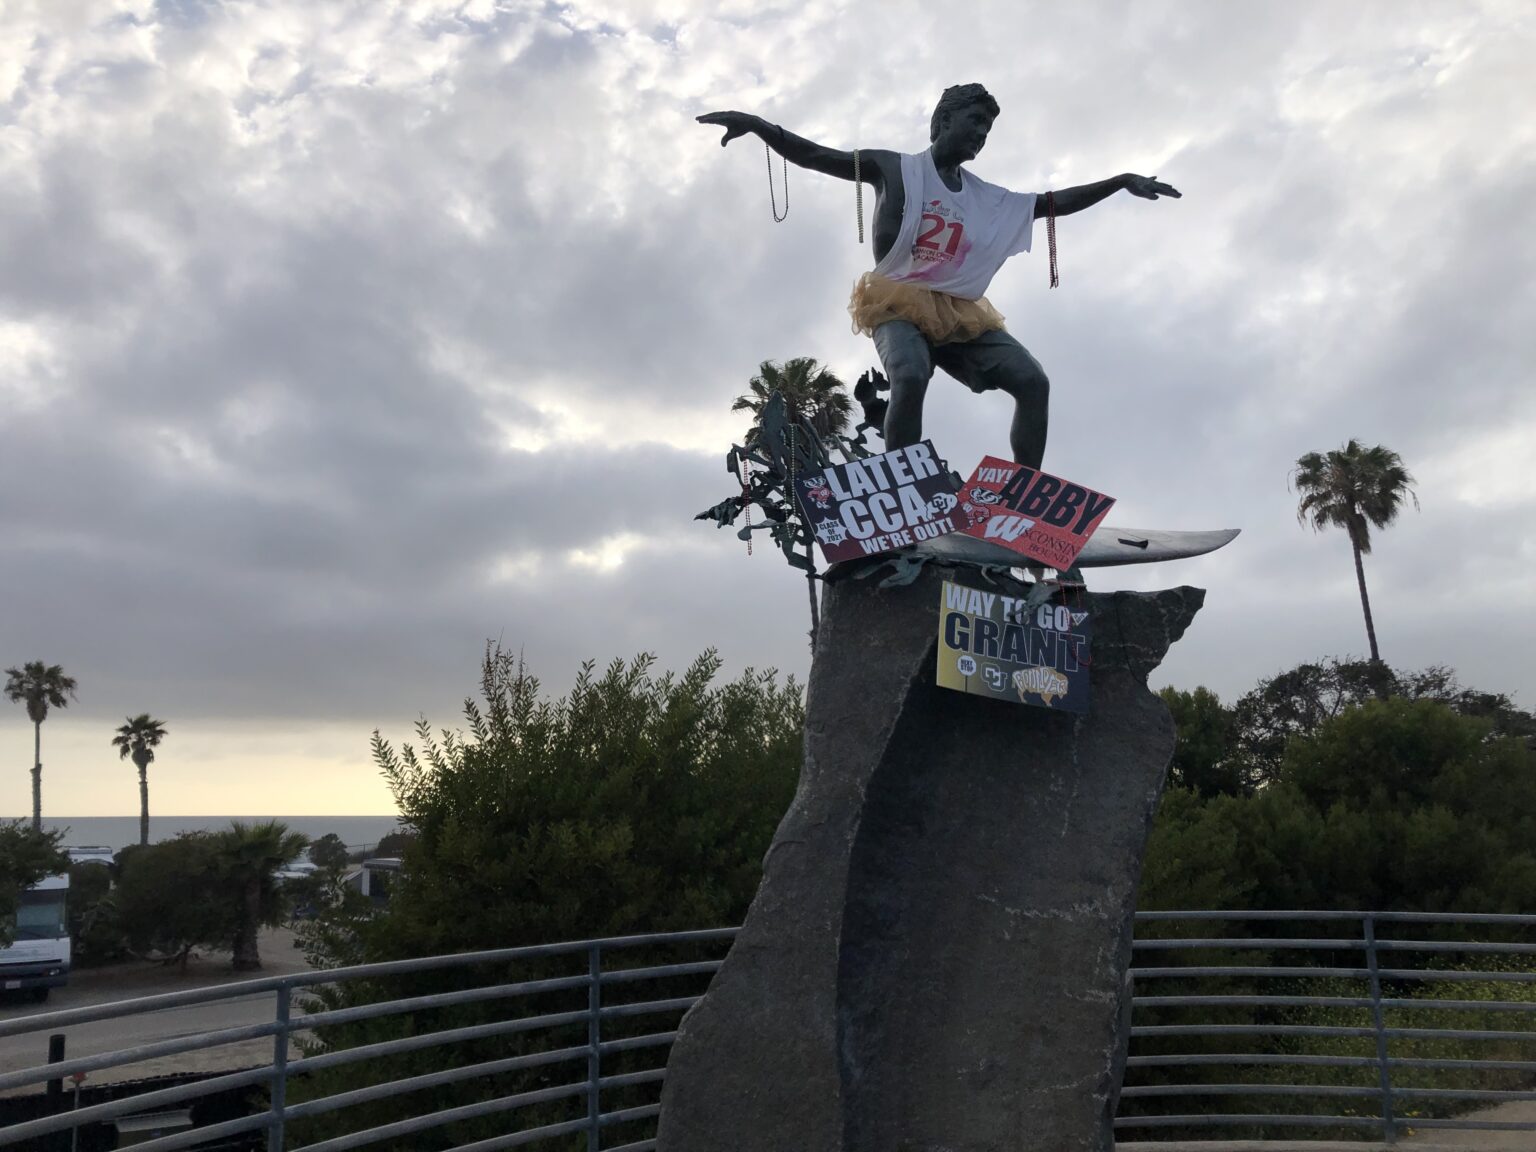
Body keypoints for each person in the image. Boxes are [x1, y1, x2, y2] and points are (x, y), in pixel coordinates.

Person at [699, 84, 1180, 468]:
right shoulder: (897, 169)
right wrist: (759, 126)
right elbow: (818, 156)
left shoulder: (986, 196)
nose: (981, 135)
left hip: (958, 313)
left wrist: (1118, 182)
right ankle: (901, 483)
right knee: (910, 371)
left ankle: (1023, 499)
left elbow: (1050, 203)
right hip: (897, 302)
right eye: (976, 122)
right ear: (942, 121)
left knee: (1033, 381)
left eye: (988, 129)